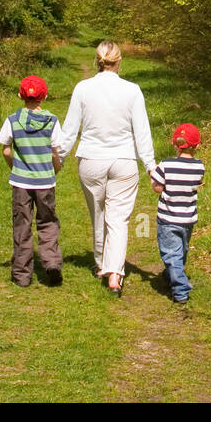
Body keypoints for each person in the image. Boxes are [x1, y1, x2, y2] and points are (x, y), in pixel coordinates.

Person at [55, 41, 155, 296]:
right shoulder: (132, 91)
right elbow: (141, 132)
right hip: (124, 160)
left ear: (97, 61)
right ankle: (115, 273)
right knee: (118, 218)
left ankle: (101, 264)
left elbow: (70, 129)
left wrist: (59, 158)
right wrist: (150, 166)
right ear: (119, 61)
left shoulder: (83, 89)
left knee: (98, 213)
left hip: (91, 160)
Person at [0, 74, 63, 287]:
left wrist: (15, 167)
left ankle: (22, 274)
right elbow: (56, 153)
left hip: (21, 183)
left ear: (19, 95)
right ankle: (52, 263)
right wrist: (56, 169)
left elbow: (6, 150)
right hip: (45, 182)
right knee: (47, 221)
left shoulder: (12, 120)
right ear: (44, 96)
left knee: (22, 225)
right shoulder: (52, 121)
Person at [150, 123, 206, 304]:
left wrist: (154, 176)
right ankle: (171, 274)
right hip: (188, 219)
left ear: (175, 144)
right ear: (197, 146)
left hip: (168, 218)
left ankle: (181, 290)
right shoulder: (199, 167)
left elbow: (158, 188)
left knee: (171, 253)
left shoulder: (166, 164)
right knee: (181, 250)